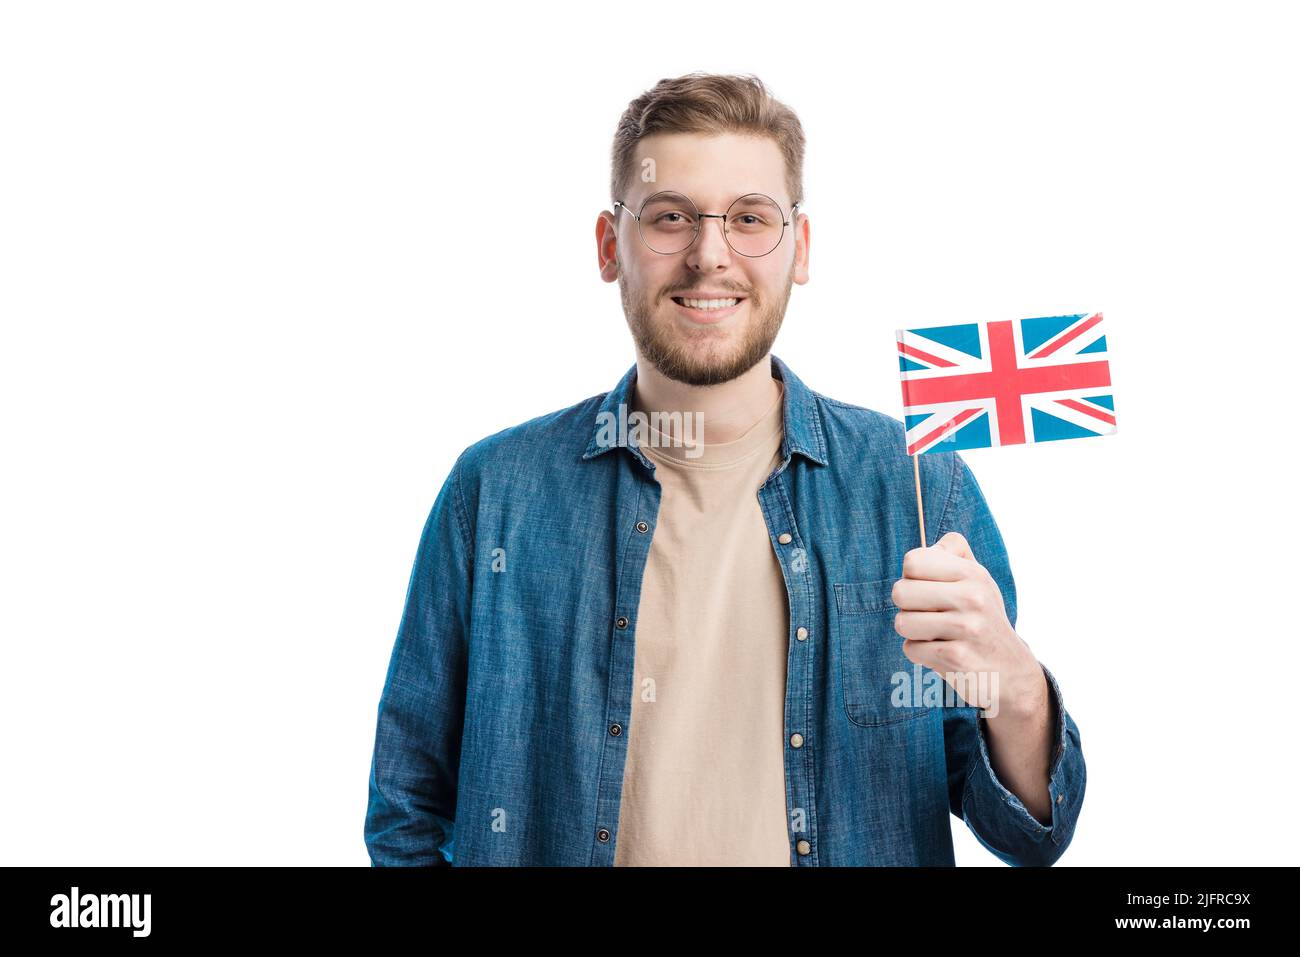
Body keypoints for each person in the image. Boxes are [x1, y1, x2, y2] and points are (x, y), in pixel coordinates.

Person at [364, 72, 1085, 866]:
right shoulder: (494, 493)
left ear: (799, 248)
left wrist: (1015, 685)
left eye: (749, 218)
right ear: (610, 245)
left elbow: (1027, 830)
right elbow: (407, 811)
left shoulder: (917, 486)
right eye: (670, 217)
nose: (710, 256)